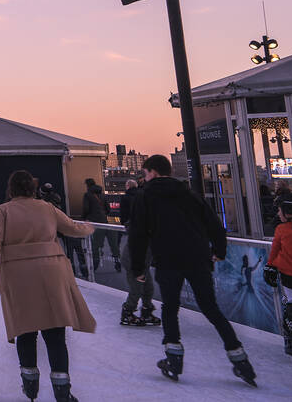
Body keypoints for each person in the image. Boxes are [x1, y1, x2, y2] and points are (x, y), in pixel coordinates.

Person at [0, 170, 95, 402]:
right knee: (55, 333)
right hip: (51, 274)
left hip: (18, 277)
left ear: (11, 190)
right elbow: (72, 228)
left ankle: (30, 386)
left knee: (25, 331)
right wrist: (90, 227)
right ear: (32, 189)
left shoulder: (2, 211)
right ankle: (62, 390)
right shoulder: (47, 208)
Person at [129, 154, 255, 386]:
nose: (144, 179)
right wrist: (219, 250)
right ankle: (239, 357)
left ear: (153, 172)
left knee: (170, 307)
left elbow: (137, 235)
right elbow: (215, 224)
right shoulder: (189, 194)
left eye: (145, 174)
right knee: (210, 308)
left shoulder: (144, 197)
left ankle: (174, 358)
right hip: (198, 258)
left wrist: (138, 267)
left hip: (168, 259)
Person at [116, 178, 159, 327]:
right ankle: (127, 312)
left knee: (148, 288)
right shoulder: (141, 227)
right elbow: (136, 245)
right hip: (134, 262)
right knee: (136, 289)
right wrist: (137, 269)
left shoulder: (150, 222)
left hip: (143, 262)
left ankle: (146, 311)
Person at [263, 191, 292, 359]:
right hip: (289, 276)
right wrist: (270, 266)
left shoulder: (281, 229)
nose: (278, 213)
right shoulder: (281, 228)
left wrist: (270, 267)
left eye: (279, 210)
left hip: (289, 276)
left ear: (288, 211)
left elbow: (275, 250)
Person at [81, 178, 119, 272]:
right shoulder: (102, 194)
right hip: (104, 221)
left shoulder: (87, 195)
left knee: (95, 244)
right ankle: (117, 261)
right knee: (112, 243)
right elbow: (108, 209)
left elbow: (86, 208)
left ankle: (94, 265)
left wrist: (84, 218)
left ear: (87, 185)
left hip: (94, 222)